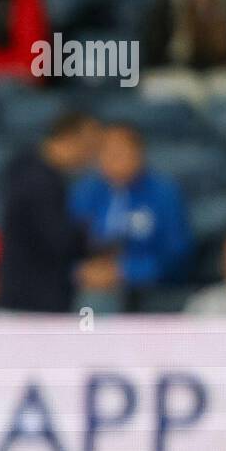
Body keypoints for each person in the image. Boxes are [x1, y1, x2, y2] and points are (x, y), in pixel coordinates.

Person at [70, 122, 193, 310]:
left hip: (149, 285)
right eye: (106, 152)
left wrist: (126, 271)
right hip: (93, 281)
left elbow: (176, 252)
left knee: (98, 300)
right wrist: (81, 271)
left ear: (139, 154)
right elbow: (65, 245)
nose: (113, 158)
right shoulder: (85, 191)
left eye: (120, 152)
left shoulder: (163, 193)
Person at [0, 111, 98, 312]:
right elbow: (58, 240)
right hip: (32, 305)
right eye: (88, 148)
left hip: (25, 298)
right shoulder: (39, 182)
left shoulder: (28, 170)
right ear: (69, 139)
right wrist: (91, 239)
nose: (90, 157)